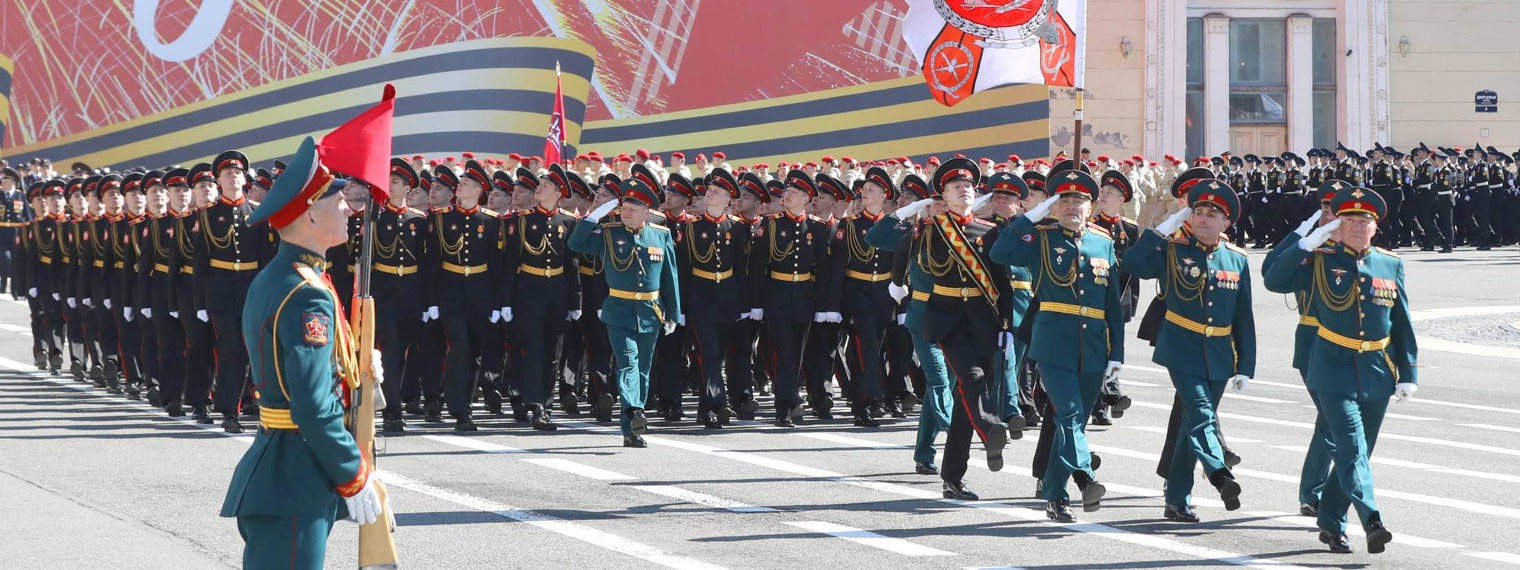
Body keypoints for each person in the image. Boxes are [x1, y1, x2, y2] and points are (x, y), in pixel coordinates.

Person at [221, 136, 388, 569]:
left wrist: (359, 363)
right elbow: (312, 405)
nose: (349, 209)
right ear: (311, 212)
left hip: (287, 469)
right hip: (294, 473)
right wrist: (353, 474)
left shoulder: (288, 277)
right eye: (339, 201)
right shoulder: (305, 293)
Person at [1263, 186, 1417, 555]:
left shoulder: (1389, 263)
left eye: (1364, 221)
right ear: (1337, 224)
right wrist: (1304, 242)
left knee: (1362, 451)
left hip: (1378, 370)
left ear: (1375, 227)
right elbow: (1274, 279)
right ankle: (1372, 519)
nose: (1357, 227)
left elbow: (1401, 321)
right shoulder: (1319, 257)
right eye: (1349, 220)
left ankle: (1331, 520)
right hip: (1331, 368)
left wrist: (1408, 371)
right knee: (1350, 447)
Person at [991, 169, 1124, 523]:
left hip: (1093, 346)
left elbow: (1113, 304)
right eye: (1063, 199)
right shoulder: (1041, 236)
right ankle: (1086, 478)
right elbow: (1001, 252)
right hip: (1051, 344)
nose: (1071, 206)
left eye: (1078, 200)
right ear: (1054, 205)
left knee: (1073, 423)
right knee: (1068, 414)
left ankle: (1054, 494)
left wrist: (1117, 355)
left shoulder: (1102, 242)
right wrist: (1030, 216)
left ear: (1090, 206)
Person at [1124, 179, 1254, 523]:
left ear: (1226, 223)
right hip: (1180, 346)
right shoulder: (1173, 249)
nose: (1203, 218)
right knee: (1199, 414)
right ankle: (1219, 474)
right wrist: (1162, 229)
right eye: (1198, 211)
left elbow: (1243, 315)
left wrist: (1245, 365)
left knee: (1188, 426)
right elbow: (1133, 265)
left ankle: (1176, 499)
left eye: (1212, 214)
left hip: (1220, 353)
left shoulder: (1236, 259)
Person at [568, 177, 680, 448]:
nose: (627, 210)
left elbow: (670, 276)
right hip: (618, 311)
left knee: (643, 368)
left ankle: (631, 429)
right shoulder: (608, 233)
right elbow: (576, 243)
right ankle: (633, 411)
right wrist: (596, 213)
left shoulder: (661, 234)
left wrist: (673, 313)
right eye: (624, 205)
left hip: (651, 311)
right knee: (628, 362)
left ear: (647, 211)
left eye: (634, 206)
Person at [1264, 180, 1352, 518]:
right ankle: (1319, 493)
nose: (1330, 214)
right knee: (1333, 421)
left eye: (1336, 209)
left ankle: (1315, 492)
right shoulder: (1309, 251)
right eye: (1325, 208)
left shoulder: (1359, 252)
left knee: (1330, 422)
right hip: (1315, 346)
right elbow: (1271, 273)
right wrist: (1301, 236)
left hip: (1354, 350)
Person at [746, 170, 832, 427]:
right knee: (785, 351)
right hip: (778, 296)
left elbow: (823, 270)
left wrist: (824, 305)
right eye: (787, 191)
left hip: (804, 296)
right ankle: (783, 406)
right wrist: (757, 304)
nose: (787, 196)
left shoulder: (816, 227)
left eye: (794, 193)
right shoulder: (771, 224)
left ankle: (791, 397)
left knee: (798, 352)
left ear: (806, 199)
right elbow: (758, 266)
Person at [500, 163, 581, 431]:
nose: (539, 188)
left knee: (552, 353)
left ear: (558, 193)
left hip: (556, 293)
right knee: (533, 349)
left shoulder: (568, 222)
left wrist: (574, 302)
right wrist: (506, 302)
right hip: (528, 291)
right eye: (540, 184)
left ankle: (544, 403)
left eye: (545, 186)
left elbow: (572, 265)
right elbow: (510, 264)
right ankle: (536, 405)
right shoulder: (522, 220)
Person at [679, 168, 752, 428]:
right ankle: (719, 403)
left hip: (727, 298)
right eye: (709, 190)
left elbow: (743, 270)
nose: (710, 193)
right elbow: (684, 269)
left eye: (717, 192)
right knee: (708, 351)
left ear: (728, 200)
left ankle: (704, 408)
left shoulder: (739, 229)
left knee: (717, 354)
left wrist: (744, 306)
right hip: (700, 298)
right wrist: (682, 307)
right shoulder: (691, 228)